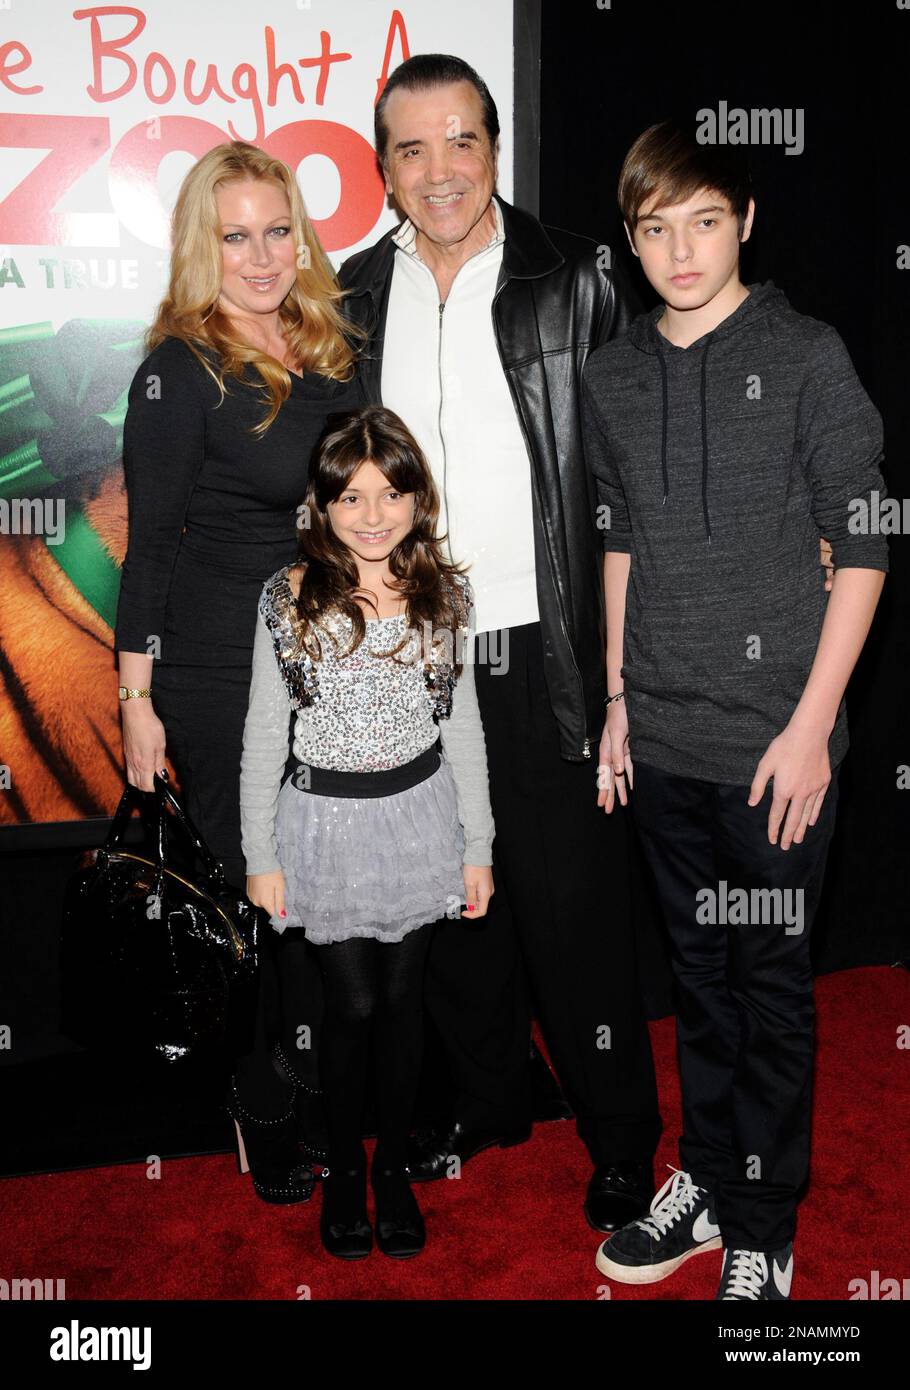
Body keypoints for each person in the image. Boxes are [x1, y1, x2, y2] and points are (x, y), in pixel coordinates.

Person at [338, 52, 662, 1233]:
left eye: (460, 141)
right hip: (406, 652)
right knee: (452, 900)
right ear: (381, 168)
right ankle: (489, 1098)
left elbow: (641, 465)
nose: (439, 171)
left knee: (573, 908)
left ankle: (624, 1136)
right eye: (411, 149)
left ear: (495, 148)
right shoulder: (350, 294)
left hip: (544, 647)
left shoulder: (574, 276)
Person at [582, 118, 889, 1300]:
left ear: (746, 220)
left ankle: (763, 1219)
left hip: (776, 749)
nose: (681, 248)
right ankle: (705, 1181)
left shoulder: (807, 354)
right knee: (697, 983)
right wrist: (615, 699)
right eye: (654, 228)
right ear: (632, 239)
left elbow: (862, 539)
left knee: (768, 990)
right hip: (659, 738)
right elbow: (618, 537)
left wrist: (813, 724)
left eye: (704, 220)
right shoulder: (612, 373)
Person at [113, 140, 364, 1204]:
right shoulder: (180, 368)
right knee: (273, 901)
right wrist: (134, 699)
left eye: (277, 231)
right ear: (200, 246)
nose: (262, 256)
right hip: (219, 674)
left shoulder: (331, 348)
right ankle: (269, 1098)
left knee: (328, 894)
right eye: (235, 236)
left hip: (329, 664)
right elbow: (153, 545)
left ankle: (304, 1078)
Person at [239, 404, 494, 1258]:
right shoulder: (288, 598)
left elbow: (461, 728)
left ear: (419, 501)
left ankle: (392, 1173)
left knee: (401, 1005)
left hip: (421, 819)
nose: (374, 515)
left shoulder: (442, 595)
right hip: (325, 828)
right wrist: (259, 856)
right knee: (347, 1006)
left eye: (392, 494)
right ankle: (343, 1169)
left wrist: (477, 845)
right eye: (352, 498)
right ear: (321, 506)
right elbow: (263, 737)